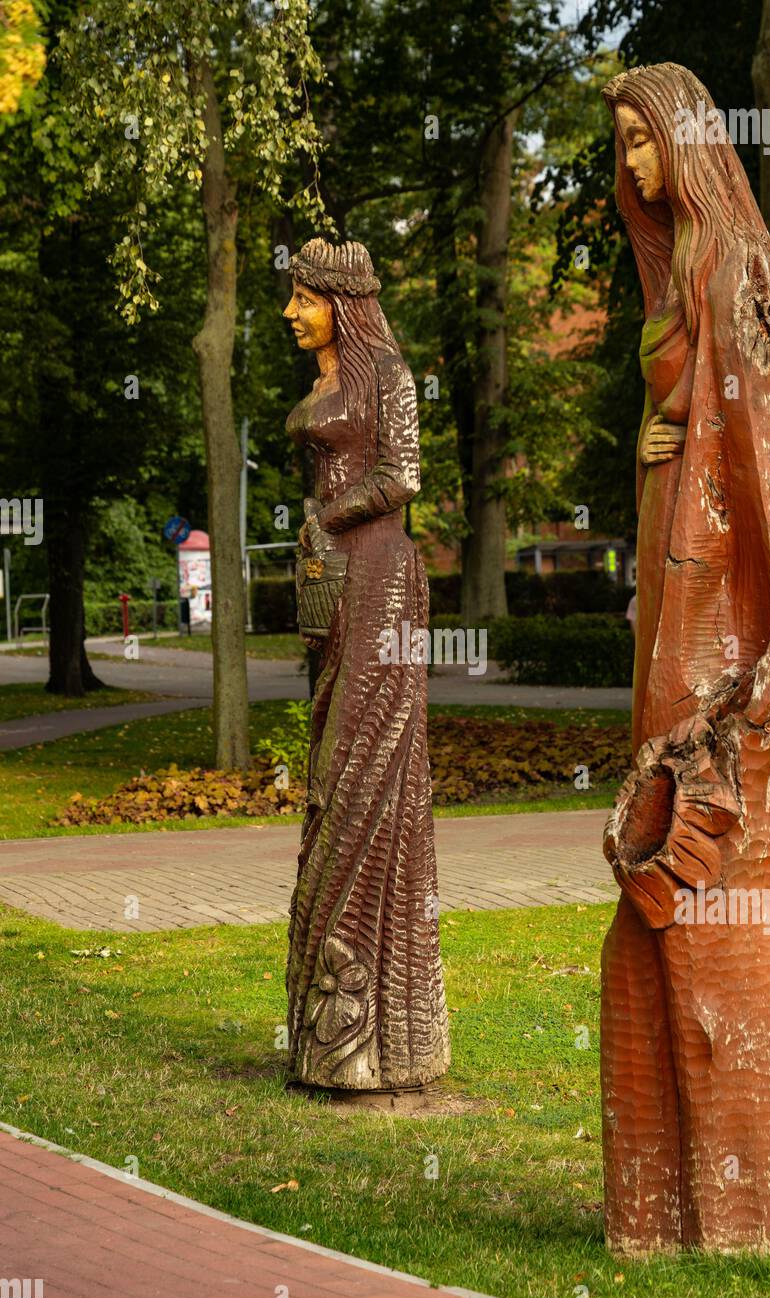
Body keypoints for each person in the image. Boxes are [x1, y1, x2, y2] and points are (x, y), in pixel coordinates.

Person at [600, 64, 770, 1255]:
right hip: (668, 590)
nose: (632, 164)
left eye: (645, 141)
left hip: (719, 626)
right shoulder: (677, 266)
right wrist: (650, 450)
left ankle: (746, 1208)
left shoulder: (737, 271)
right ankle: (672, 1200)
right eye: (621, 145)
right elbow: (691, 420)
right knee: (654, 891)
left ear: (688, 139)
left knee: (702, 883)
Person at [282, 239, 449, 1091]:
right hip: (334, 580)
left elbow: (404, 474)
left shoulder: (386, 372)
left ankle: (376, 1030)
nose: (290, 313)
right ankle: (325, 1029)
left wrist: (328, 515)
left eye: (303, 299)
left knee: (366, 770)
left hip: (383, 576)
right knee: (327, 770)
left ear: (340, 303)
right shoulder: (322, 383)